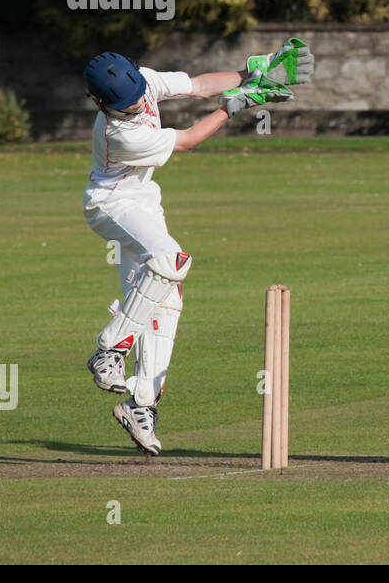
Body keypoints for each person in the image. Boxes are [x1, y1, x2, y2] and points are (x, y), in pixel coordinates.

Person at [81, 40, 311, 454]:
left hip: (144, 201)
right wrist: (232, 107)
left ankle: (141, 406)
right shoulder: (119, 133)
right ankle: (108, 351)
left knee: (166, 302)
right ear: (102, 105)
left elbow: (199, 84)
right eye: (126, 104)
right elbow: (186, 140)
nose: (136, 106)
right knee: (172, 260)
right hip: (111, 204)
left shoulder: (144, 83)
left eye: (136, 98)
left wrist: (250, 74)